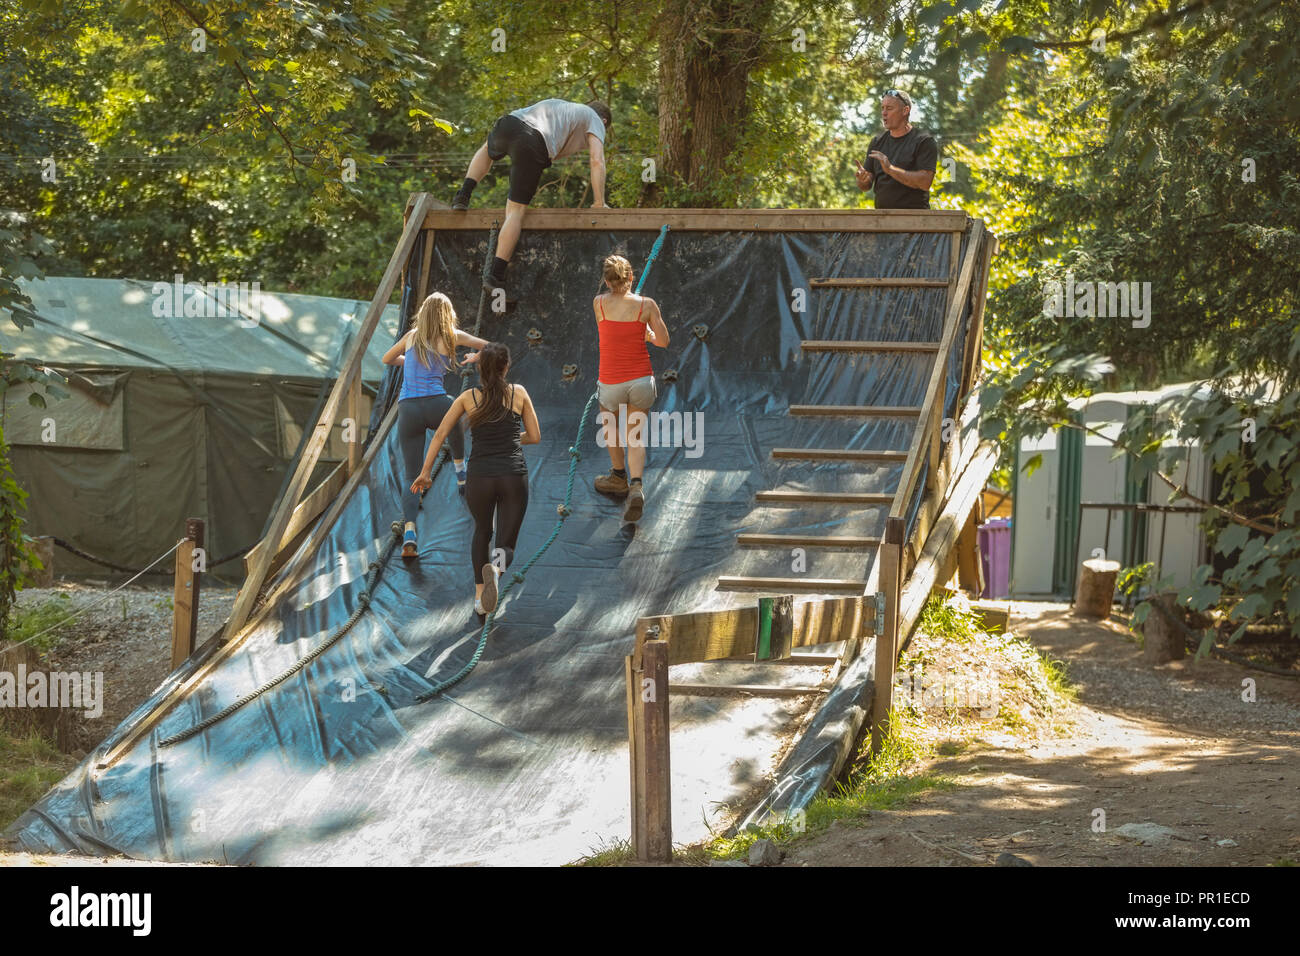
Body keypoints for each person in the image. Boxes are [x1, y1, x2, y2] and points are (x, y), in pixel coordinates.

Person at [411, 342, 541, 618]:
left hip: (479, 477)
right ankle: (495, 570)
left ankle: (481, 596)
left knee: (482, 532)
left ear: (480, 369)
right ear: (506, 367)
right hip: (512, 475)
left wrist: (425, 472)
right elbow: (535, 436)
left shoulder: (467, 398)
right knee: (506, 544)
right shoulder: (519, 393)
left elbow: (439, 435)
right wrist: (512, 440)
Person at [450, 98, 612, 292]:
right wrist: (599, 203)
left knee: (487, 148)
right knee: (515, 212)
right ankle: (495, 276)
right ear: (603, 121)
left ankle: (463, 195)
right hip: (532, 140)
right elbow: (597, 161)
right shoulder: (594, 118)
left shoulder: (562, 107)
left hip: (509, 123)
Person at [382, 292, 489, 559]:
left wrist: (408, 362)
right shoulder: (452, 334)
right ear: (447, 314)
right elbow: (490, 346)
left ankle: (409, 532)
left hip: (408, 409)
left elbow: (387, 358)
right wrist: (476, 357)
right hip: (437, 403)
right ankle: (460, 470)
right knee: (455, 414)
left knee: (411, 475)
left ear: (423, 314)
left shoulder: (411, 337)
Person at [591, 254, 670, 523]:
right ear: (632, 276)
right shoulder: (647, 306)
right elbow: (663, 341)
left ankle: (618, 476)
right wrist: (647, 334)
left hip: (611, 382)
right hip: (640, 381)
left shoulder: (598, 303)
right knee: (635, 435)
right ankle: (636, 485)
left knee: (611, 428)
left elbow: (611, 333)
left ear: (605, 280)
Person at [854, 89, 938, 210]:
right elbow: (866, 185)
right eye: (882, 108)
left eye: (889, 108)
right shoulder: (877, 142)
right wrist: (862, 180)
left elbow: (925, 182)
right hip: (882, 220)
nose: (884, 113)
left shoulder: (923, 141)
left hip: (916, 220)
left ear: (905, 110)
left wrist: (890, 169)